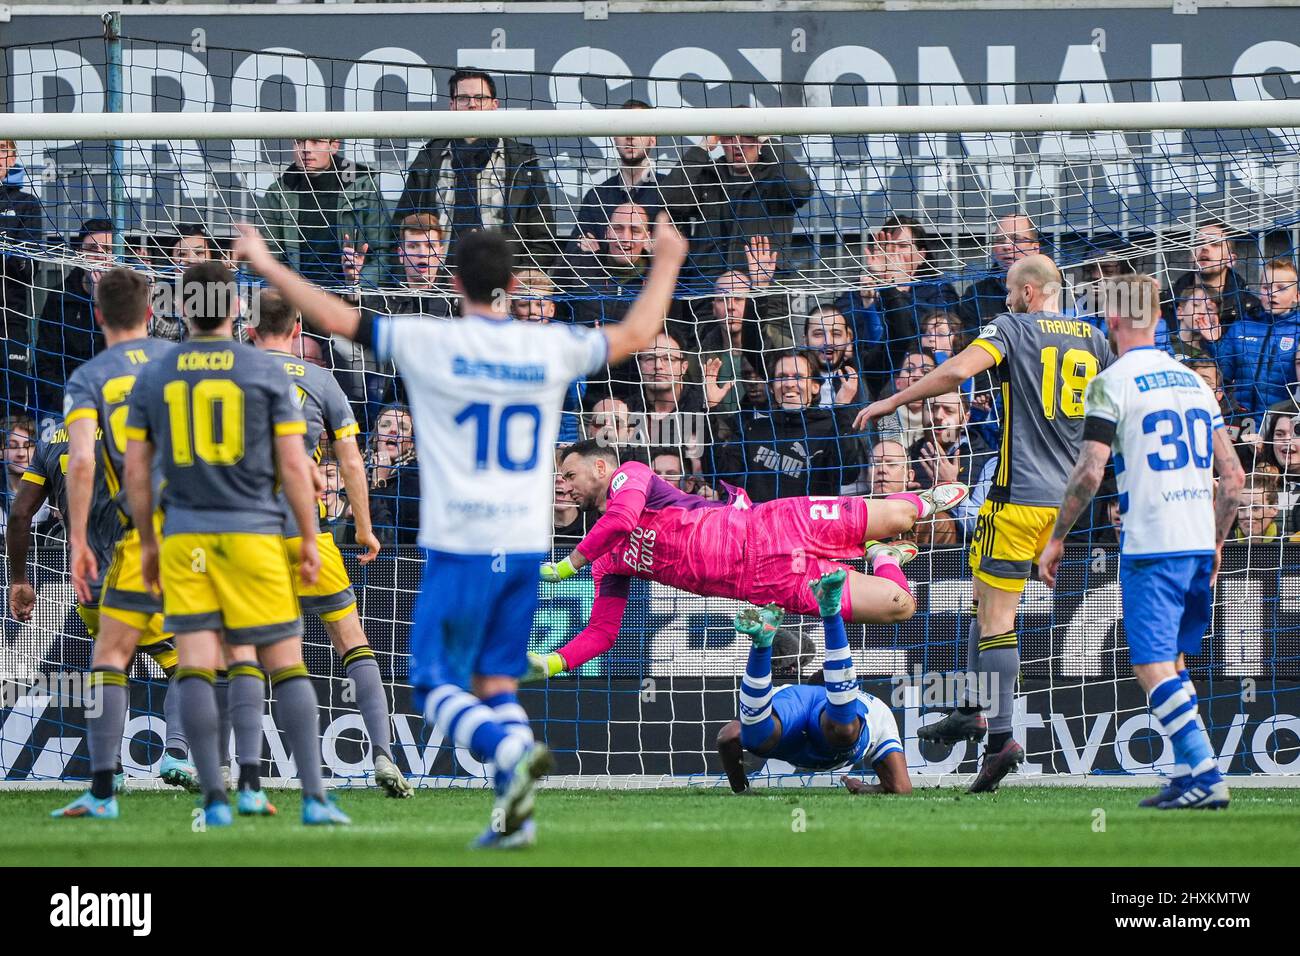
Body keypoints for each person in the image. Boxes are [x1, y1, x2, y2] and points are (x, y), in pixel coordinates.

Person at [234, 212, 688, 848]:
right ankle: (516, 821)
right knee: (495, 681)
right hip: (526, 545)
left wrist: (264, 261)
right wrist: (667, 256)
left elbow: (335, 316)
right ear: (510, 285)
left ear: (455, 283)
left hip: (463, 544)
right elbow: (640, 331)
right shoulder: (549, 345)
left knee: (432, 683)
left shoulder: (430, 341)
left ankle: (509, 751)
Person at [856, 253, 1113, 792]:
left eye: (1008, 291)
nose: (1004, 299)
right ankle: (975, 709)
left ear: (1025, 293)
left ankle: (999, 738)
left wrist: (894, 402)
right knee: (984, 605)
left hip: (1016, 496)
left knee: (997, 621)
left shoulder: (1012, 328)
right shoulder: (1094, 340)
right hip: (1066, 503)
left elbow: (955, 371)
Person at [120, 261, 340, 828]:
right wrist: (311, 536)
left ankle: (215, 798)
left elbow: (137, 470)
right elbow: (295, 463)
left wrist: (147, 541)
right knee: (285, 664)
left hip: (187, 535)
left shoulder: (158, 375)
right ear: (235, 309)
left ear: (181, 308)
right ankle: (313, 798)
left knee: (197, 666)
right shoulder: (264, 371)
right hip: (255, 535)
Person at [1040, 274, 1244, 810]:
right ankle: (1187, 772)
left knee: (1150, 663)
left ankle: (1205, 771)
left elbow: (1089, 474)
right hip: (1199, 542)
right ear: (1159, 318)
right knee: (1174, 662)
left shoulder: (1113, 382)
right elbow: (1236, 479)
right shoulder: (1196, 382)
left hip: (1152, 542)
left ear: (1110, 321)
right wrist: (1218, 541)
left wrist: (1057, 537)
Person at [527, 440, 968, 679]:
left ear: (601, 469)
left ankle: (914, 509)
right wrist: (549, 663)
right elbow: (603, 632)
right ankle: (885, 556)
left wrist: (567, 565)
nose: (563, 486)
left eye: (569, 474)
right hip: (769, 582)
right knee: (900, 605)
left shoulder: (631, 476)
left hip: (777, 523)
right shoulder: (606, 561)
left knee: (901, 513)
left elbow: (622, 519)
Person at [49, 268, 199, 820]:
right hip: (204, 527)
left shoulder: (90, 377)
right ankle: (196, 760)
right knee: (199, 654)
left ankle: (104, 790)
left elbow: (83, 461)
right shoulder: (182, 362)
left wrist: (79, 538)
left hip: (141, 536)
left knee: (110, 657)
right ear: (150, 313)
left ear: (97, 316)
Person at [247, 289, 408, 799]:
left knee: (241, 651)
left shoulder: (228, 380)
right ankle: (384, 754)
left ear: (248, 330)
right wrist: (363, 527)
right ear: (298, 330)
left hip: (244, 536)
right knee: (352, 641)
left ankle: (239, 767)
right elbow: (353, 460)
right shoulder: (320, 380)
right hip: (307, 534)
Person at [716, 571, 910, 796]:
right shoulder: (878, 711)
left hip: (796, 705)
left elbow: (727, 736)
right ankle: (830, 612)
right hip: (828, 721)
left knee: (756, 735)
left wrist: (741, 791)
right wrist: (866, 788)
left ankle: (762, 645)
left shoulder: (800, 694)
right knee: (843, 731)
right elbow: (901, 788)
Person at [395, 69, 556, 271]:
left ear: (494, 105)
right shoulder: (428, 159)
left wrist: (515, 282)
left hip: (502, 284)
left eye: (480, 97)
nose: (472, 104)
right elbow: (399, 231)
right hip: (439, 285)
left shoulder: (523, 162)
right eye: (463, 98)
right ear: (452, 105)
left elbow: (543, 240)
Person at [258, 136, 389, 287]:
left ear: (334, 146)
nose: (306, 149)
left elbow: (383, 254)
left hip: (353, 303)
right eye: (298, 142)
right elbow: (271, 259)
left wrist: (357, 287)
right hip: (298, 301)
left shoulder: (363, 186)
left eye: (316, 141)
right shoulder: (278, 193)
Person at [1197, 257, 1300, 423]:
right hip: (1238, 419)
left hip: (1277, 425)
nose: (1272, 293)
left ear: (1296, 297)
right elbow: (1225, 373)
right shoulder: (1242, 326)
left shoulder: (1297, 331)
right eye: (1266, 287)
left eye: (1281, 288)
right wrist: (1214, 343)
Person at [0, 138, 44, 414]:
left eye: (3, 149)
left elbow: (29, 269)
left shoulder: (26, 205)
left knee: (12, 413)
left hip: (9, 323)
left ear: (13, 159)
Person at [956, 214, 1040, 333]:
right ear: (994, 249)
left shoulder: (1060, 289)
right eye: (1000, 240)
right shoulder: (975, 295)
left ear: (1035, 249)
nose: (1006, 246)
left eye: (1016, 239)